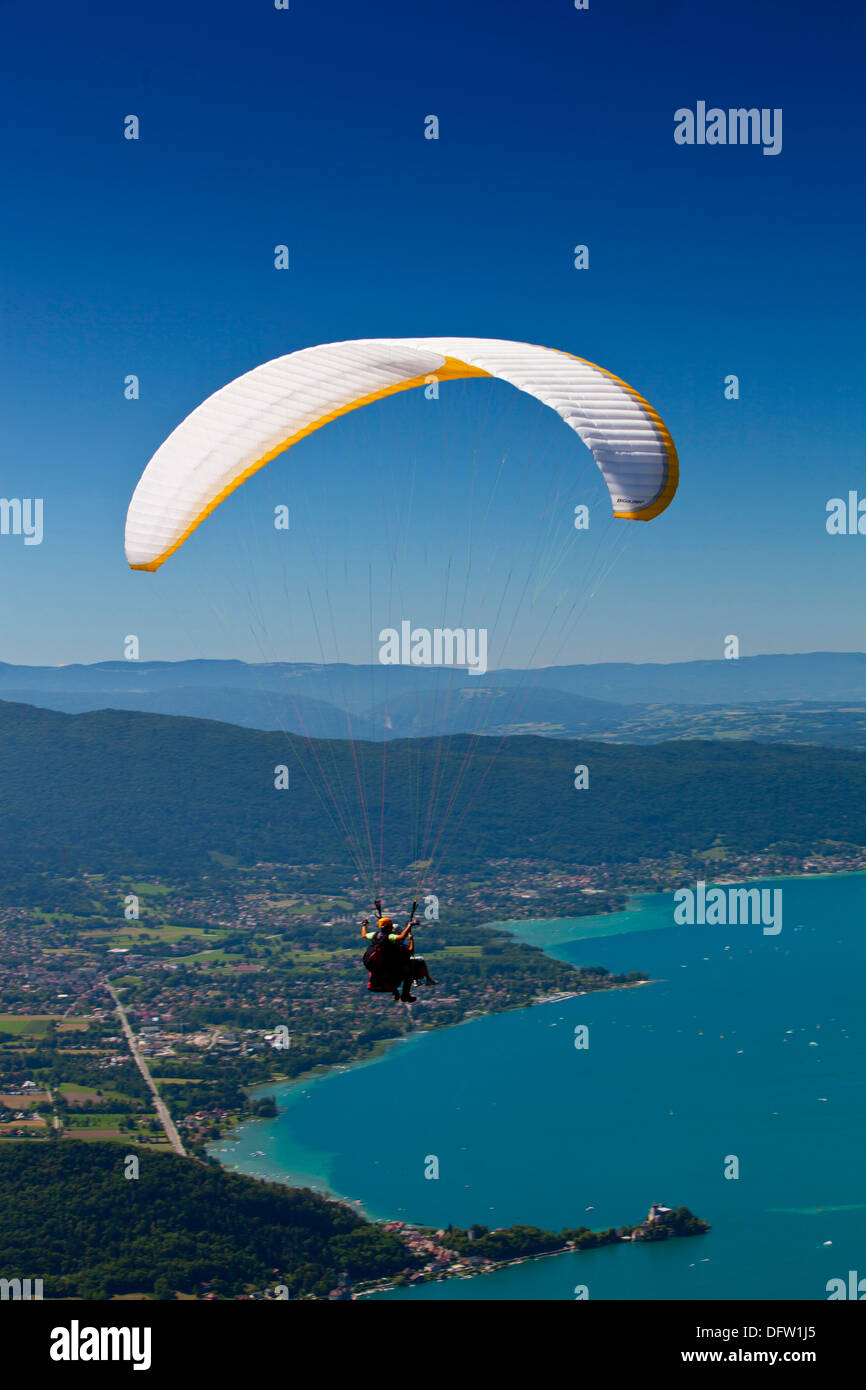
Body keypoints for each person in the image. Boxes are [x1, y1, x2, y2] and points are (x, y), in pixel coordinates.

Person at [361, 915, 416, 1002]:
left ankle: (395, 990)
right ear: (389, 927)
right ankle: (405, 994)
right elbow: (401, 937)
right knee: (409, 972)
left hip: (373, 964)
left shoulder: (374, 935)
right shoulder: (389, 937)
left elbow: (364, 935)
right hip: (387, 964)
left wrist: (364, 925)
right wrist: (409, 926)